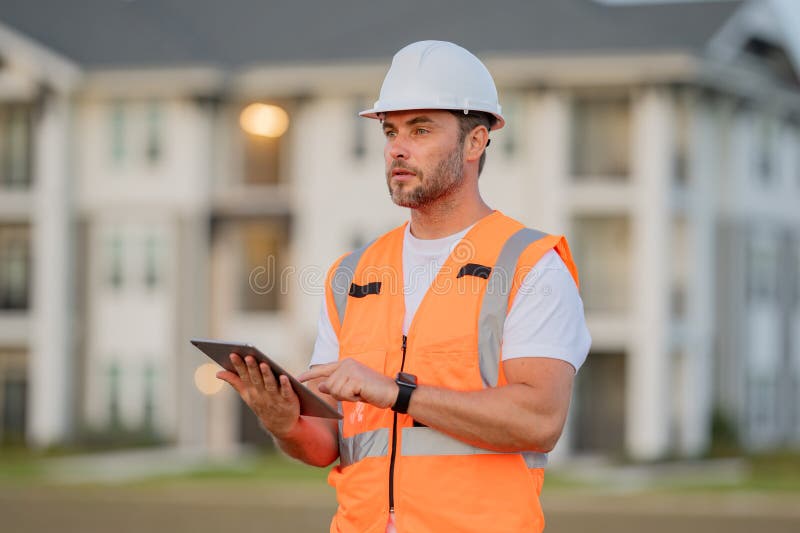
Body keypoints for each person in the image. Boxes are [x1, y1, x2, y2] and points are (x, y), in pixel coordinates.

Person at [217, 40, 591, 533]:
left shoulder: (530, 265)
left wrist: (397, 393)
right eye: (391, 130)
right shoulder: (352, 275)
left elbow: (539, 421)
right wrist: (283, 420)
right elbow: (330, 443)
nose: (397, 146)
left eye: (420, 130)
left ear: (476, 142)